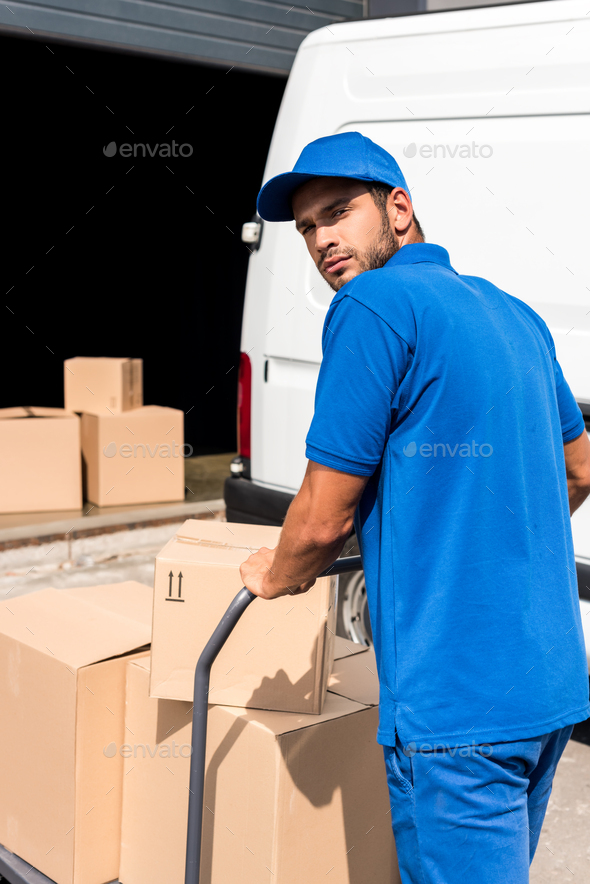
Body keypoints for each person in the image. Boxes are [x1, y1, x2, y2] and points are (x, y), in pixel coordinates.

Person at [239, 131, 590, 883]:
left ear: (398, 209)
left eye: (339, 212)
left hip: (455, 706)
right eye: (306, 228)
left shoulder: (371, 305)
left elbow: (323, 518)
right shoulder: (514, 314)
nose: (322, 240)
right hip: (551, 685)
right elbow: (580, 467)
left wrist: (275, 573)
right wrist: (494, 544)